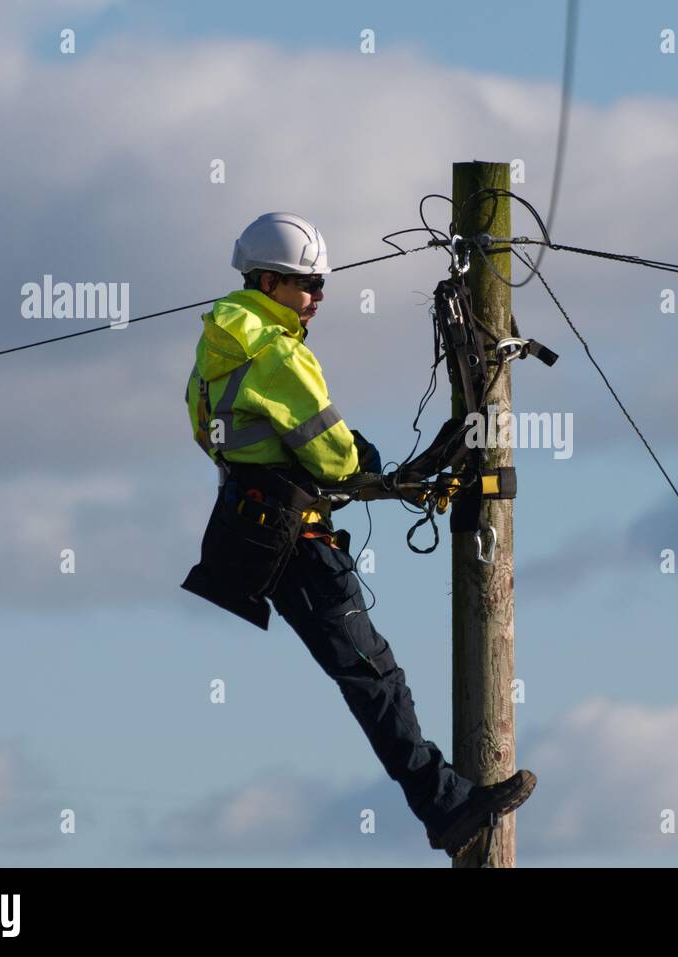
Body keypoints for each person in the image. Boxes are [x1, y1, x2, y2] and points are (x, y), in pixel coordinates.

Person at [180, 212, 535, 860]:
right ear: (268, 280)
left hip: (248, 530)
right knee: (375, 676)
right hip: (297, 542)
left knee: (369, 674)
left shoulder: (216, 343)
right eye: (307, 284)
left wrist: (276, 465)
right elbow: (333, 455)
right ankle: (448, 807)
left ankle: (445, 802)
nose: (317, 298)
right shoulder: (278, 352)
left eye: (321, 285)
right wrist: (364, 465)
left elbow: (205, 428)